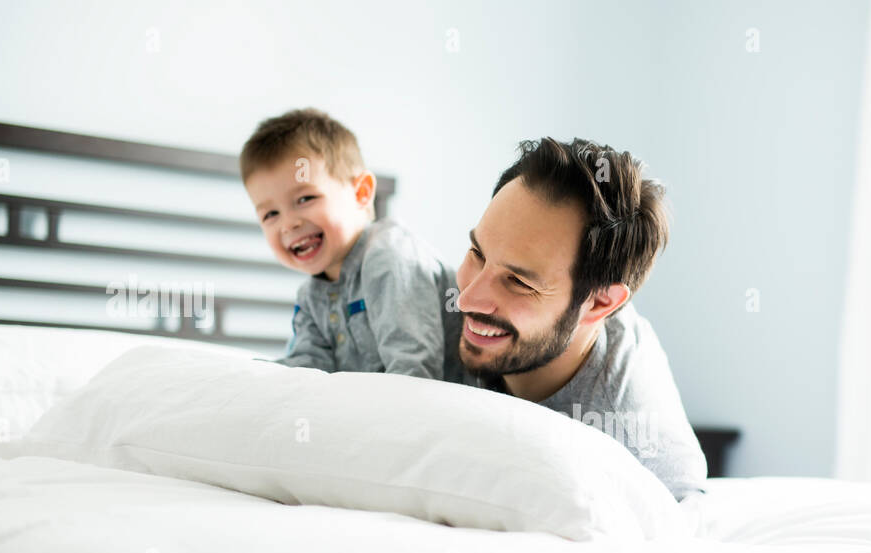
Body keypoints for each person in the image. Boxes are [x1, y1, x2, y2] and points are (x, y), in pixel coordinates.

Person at [446, 137, 707, 500]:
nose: (467, 298)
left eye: (519, 281)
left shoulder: (631, 438)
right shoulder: (425, 297)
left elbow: (683, 521)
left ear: (600, 304)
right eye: (477, 252)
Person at [240, 108, 452, 376]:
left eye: (305, 199)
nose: (288, 224)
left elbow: (415, 371)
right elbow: (305, 372)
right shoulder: (310, 296)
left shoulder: (389, 259)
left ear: (361, 193)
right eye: (271, 214)